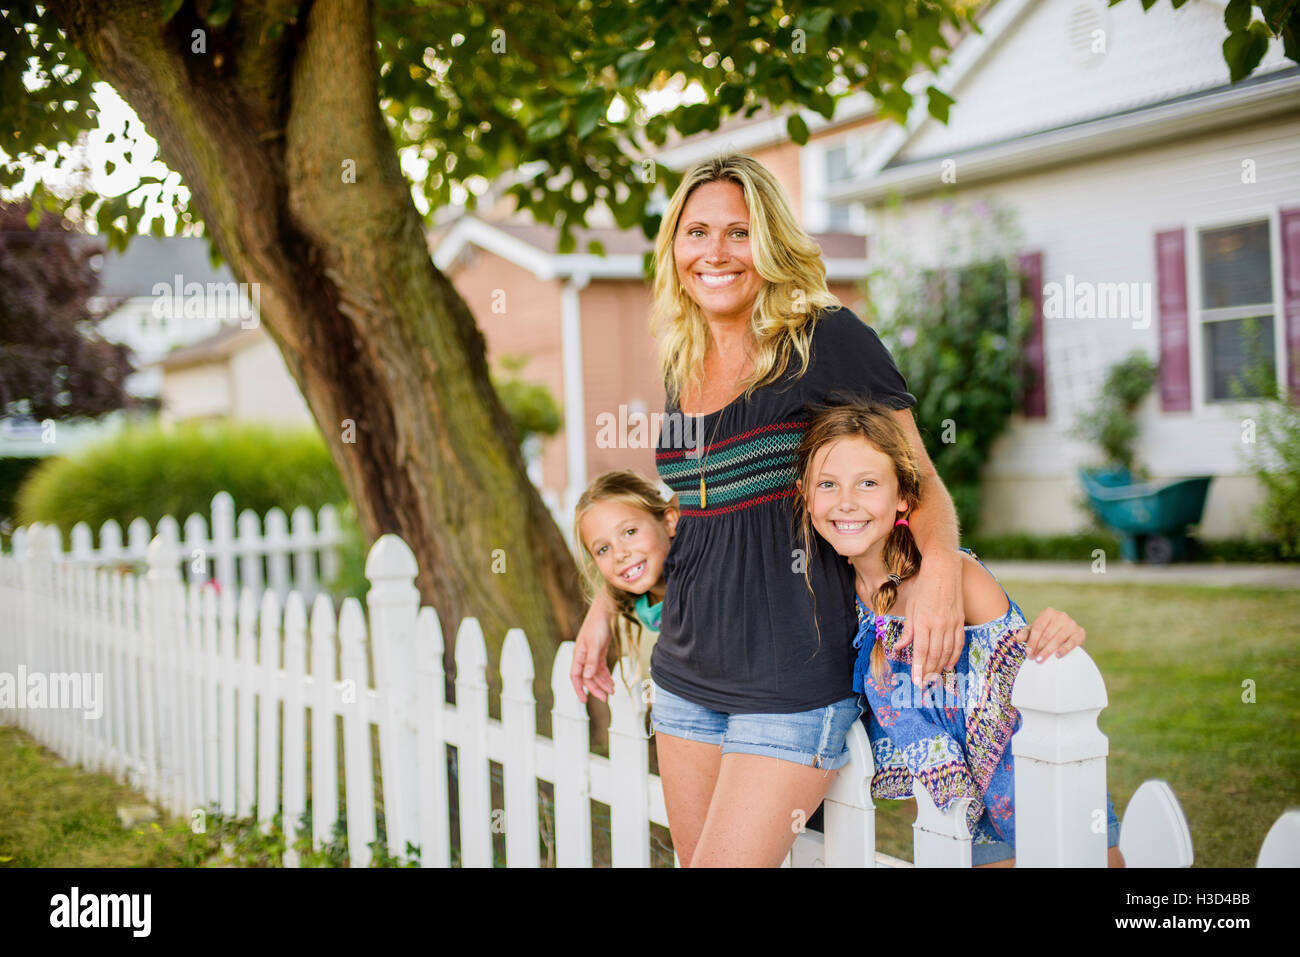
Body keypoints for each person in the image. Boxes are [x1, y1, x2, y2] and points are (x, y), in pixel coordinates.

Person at [571, 151, 970, 868]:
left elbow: (920, 478)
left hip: (790, 681)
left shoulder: (825, 339)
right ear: (674, 249)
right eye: (696, 233)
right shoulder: (682, 362)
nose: (715, 253)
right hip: (687, 678)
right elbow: (691, 514)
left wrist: (938, 568)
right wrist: (607, 605)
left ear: (772, 242)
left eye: (738, 232)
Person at [792, 400, 1125, 867]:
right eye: (828, 485)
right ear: (807, 498)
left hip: (1040, 788)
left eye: (868, 483)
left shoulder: (953, 581)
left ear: (903, 497)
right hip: (950, 819)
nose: (846, 501)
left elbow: (1016, 666)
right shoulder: (833, 601)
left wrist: (1049, 634)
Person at [573, 470, 678, 692]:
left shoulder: (698, 561)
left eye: (630, 532)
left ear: (669, 522)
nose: (619, 554)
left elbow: (695, 494)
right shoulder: (639, 604)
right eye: (603, 549)